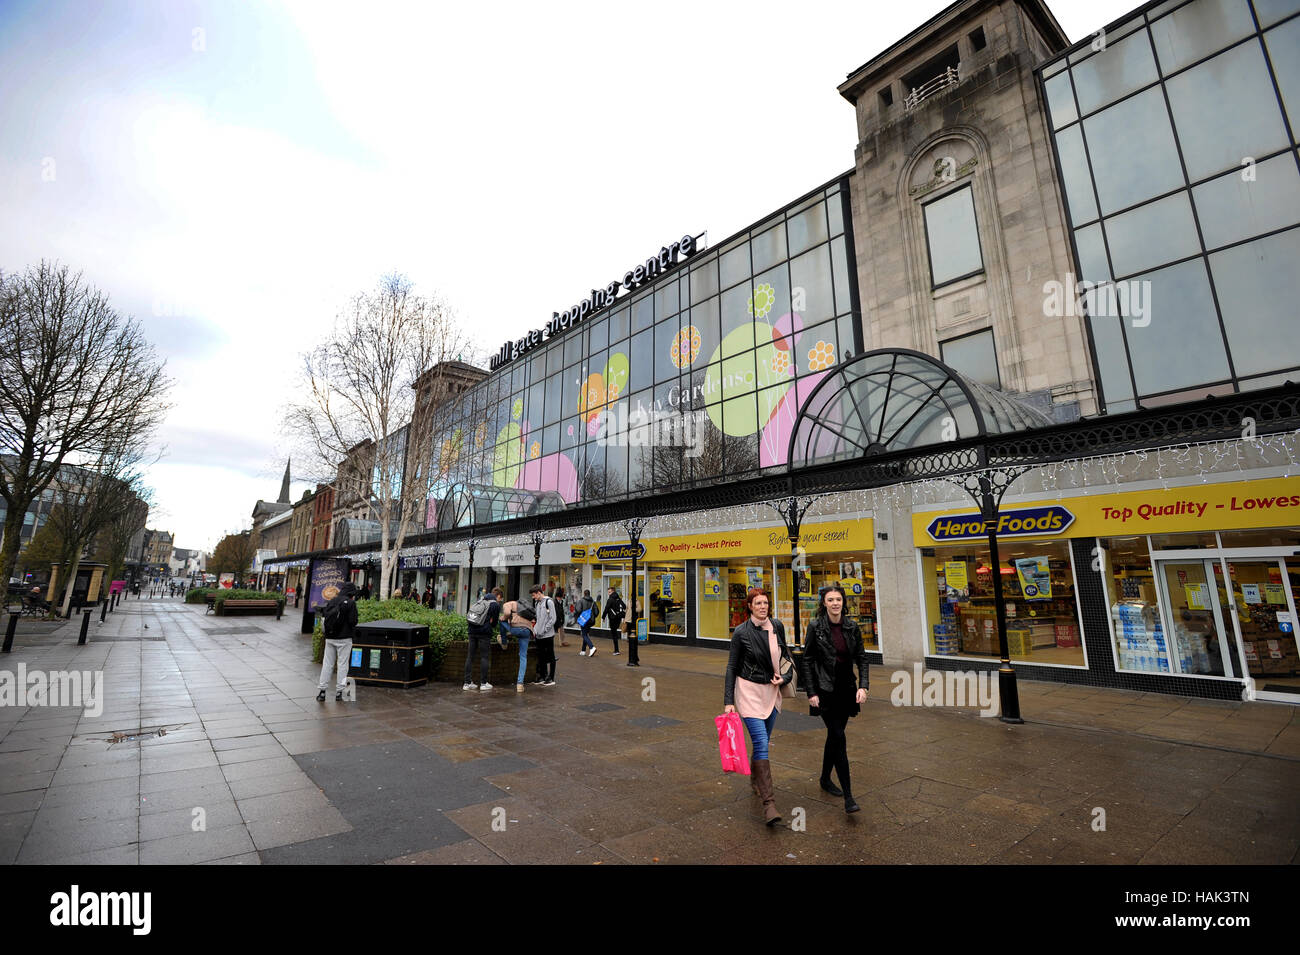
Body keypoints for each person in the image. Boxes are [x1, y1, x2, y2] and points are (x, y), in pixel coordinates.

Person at [723, 587, 793, 826]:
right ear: (750, 606)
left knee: (763, 739)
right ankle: (769, 804)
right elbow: (731, 667)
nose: (763, 607)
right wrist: (728, 701)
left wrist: (785, 678)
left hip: (771, 692)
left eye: (766, 603)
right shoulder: (741, 633)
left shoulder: (777, 626)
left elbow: (786, 658)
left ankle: (756, 778)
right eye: (758, 603)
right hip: (749, 692)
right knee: (762, 742)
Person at [799, 585, 869, 814]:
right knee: (839, 737)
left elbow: (862, 658)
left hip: (846, 690)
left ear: (843, 602)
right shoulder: (815, 627)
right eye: (831, 600)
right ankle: (849, 797)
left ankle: (824, 779)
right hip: (825, 690)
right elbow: (807, 660)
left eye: (838, 599)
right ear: (824, 603)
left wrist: (863, 687)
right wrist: (811, 692)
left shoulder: (851, 626)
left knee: (834, 736)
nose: (835, 603)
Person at [317, 582, 359, 702]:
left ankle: (322, 692)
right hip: (344, 639)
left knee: (327, 664)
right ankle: (340, 692)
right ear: (351, 593)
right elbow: (353, 621)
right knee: (342, 664)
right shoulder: (351, 603)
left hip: (330, 638)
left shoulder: (332, 601)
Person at [464, 586, 502, 691]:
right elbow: (494, 623)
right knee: (484, 657)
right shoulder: (495, 605)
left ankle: (467, 683)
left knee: (470, 656)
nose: (499, 601)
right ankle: (483, 683)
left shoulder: (480, 600)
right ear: (497, 596)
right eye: (500, 599)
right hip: (484, 633)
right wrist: (490, 623)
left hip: (472, 631)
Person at [498, 597, 536, 693]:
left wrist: (504, 618)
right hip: (527, 631)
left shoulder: (508, 604)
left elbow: (506, 613)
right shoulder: (523, 607)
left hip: (517, 629)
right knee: (523, 657)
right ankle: (520, 685)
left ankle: (504, 642)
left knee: (501, 621)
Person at [528, 584, 559, 686]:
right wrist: (536, 629)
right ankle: (543, 676)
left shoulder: (549, 602)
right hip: (539, 635)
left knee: (551, 655)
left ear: (539, 593)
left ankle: (551, 678)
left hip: (548, 635)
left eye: (534, 595)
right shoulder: (537, 603)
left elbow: (553, 618)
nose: (533, 597)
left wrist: (545, 630)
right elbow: (537, 618)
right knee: (541, 656)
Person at [602, 586, 625, 655]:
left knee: (614, 634)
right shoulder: (619, 599)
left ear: (613, 591)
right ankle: (616, 649)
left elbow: (606, 608)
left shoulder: (610, 599)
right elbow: (624, 606)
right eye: (608, 592)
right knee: (615, 633)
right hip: (619, 618)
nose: (608, 593)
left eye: (609, 592)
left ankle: (616, 650)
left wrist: (603, 617)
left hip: (612, 618)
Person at [577, 589, 596, 657]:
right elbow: (596, 612)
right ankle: (583, 650)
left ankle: (591, 647)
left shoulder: (581, 601)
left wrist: (581, 615)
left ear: (584, 594)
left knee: (584, 635)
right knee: (585, 634)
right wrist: (592, 616)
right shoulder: (593, 602)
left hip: (583, 620)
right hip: (590, 621)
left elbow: (578, 610)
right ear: (589, 594)